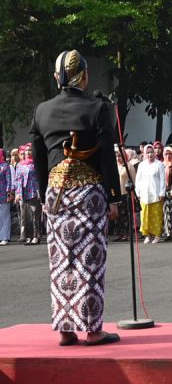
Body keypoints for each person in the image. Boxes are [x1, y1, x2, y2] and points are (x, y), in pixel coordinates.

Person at [30, 50, 122, 346]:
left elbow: (39, 159)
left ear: (58, 77)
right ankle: (93, 330)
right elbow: (107, 156)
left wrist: (46, 193)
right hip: (89, 192)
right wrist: (114, 197)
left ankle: (66, 330)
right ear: (84, 75)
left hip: (55, 194)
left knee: (61, 261)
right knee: (89, 259)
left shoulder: (41, 111)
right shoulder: (97, 108)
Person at [135, 144, 166, 244]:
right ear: (144, 153)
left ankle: (157, 235)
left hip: (156, 193)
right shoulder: (141, 165)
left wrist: (162, 192)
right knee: (144, 215)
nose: (150, 154)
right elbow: (138, 180)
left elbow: (162, 179)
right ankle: (147, 235)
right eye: (147, 152)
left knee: (156, 215)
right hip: (144, 194)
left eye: (151, 152)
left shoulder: (159, 164)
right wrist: (137, 191)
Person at [14, 144, 41, 245]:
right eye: (26, 151)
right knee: (25, 216)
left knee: (34, 215)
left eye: (30, 150)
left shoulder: (36, 164)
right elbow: (17, 180)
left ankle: (36, 236)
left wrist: (40, 192)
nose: (28, 152)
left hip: (34, 191)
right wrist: (17, 194)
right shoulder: (20, 165)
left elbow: (40, 179)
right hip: (23, 192)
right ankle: (28, 236)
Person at [114, 147, 137, 242]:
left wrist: (134, 194)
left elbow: (134, 180)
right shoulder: (116, 166)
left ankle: (126, 234)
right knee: (118, 215)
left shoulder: (129, 166)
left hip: (126, 193)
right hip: (117, 194)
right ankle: (120, 233)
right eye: (117, 156)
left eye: (120, 156)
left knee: (125, 215)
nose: (118, 158)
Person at [0, 150, 12, 246]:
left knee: (4, 217)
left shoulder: (5, 166)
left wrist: (9, 193)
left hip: (3, 194)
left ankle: (5, 237)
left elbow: (9, 180)